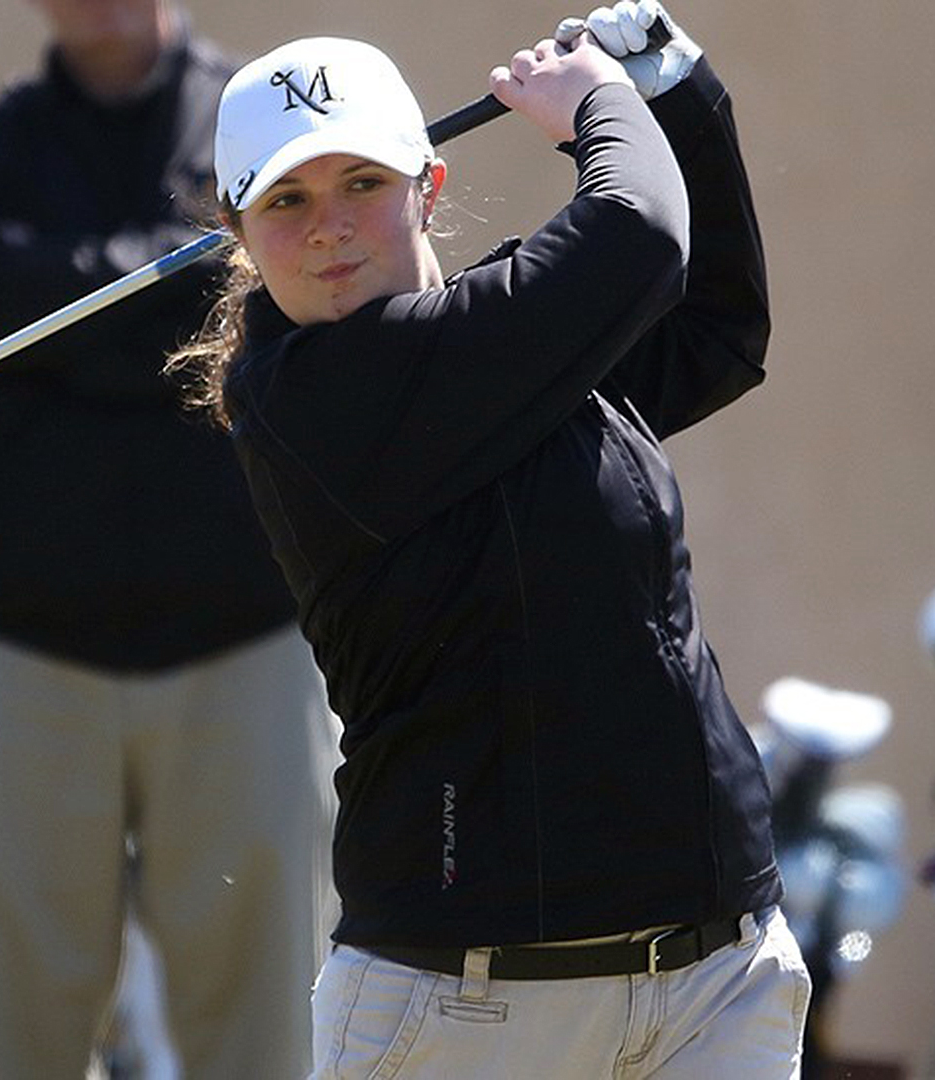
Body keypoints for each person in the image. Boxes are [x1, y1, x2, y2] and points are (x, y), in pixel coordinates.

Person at [169, 6, 807, 1075]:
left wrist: (684, 90)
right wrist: (601, 104)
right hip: (465, 1009)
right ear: (238, 230)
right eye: (288, 199)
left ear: (428, 184)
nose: (328, 225)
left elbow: (712, 331)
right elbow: (638, 235)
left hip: (714, 980)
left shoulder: (509, 345)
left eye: (361, 183)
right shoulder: (309, 402)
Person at [0, 1, 337, 1075]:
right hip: (18, 651)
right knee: (7, 1037)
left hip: (249, 641)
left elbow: (269, 296)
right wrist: (168, 284)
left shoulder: (260, 127)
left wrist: (63, 311)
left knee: (273, 1031)